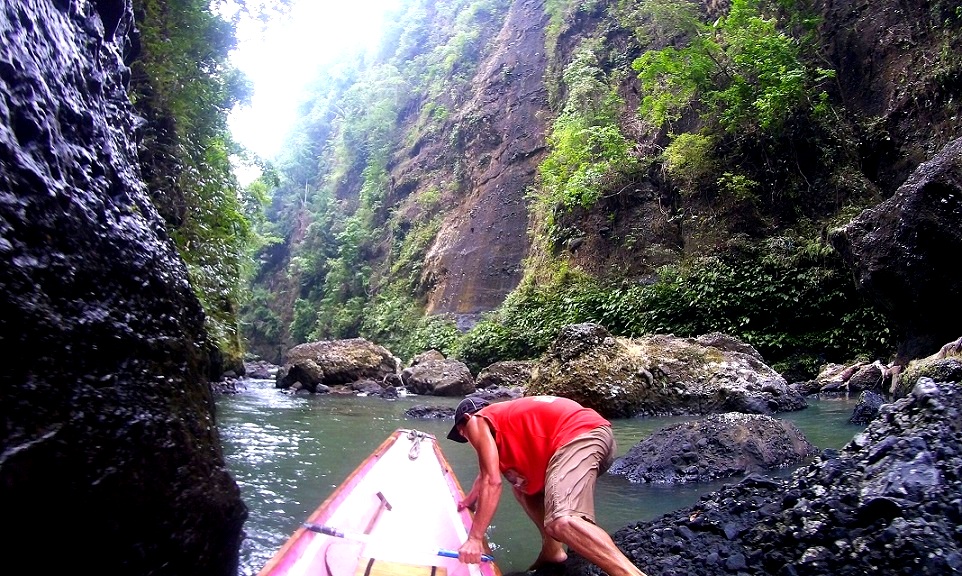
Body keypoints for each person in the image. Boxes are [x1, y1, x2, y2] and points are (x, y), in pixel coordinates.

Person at [447, 395, 648, 576]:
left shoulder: (476, 420)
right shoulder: (508, 419)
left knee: (563, 521)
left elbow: (492, 481)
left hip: (582, 436)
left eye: (463, 435)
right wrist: (469, 502)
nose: (469, 440)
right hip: (591, 437)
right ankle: (553, 551)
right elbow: (485, 476)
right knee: (523, 489)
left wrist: (474, 539)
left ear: (466, 419)